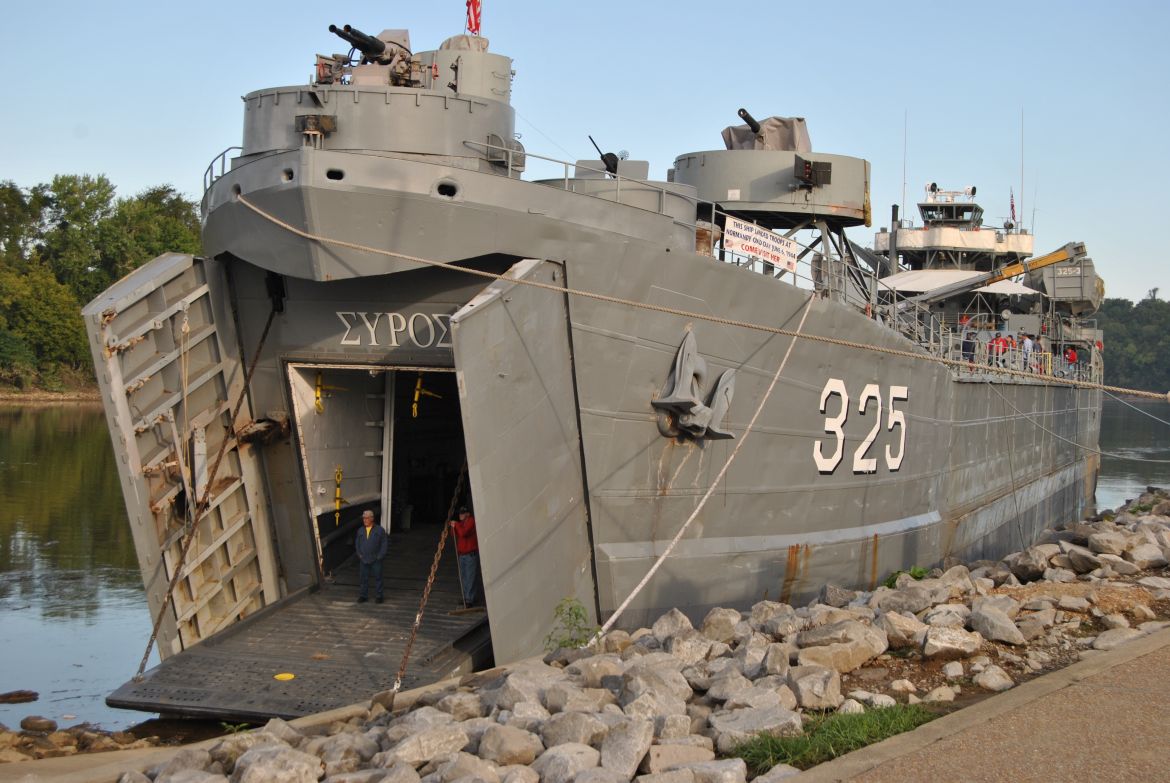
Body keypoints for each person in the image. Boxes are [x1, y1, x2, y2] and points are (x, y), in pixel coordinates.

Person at [449, 506, 480, 606]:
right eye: (460, 513)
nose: (460, 515)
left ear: (468, 514)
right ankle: (466, 597)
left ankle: (470, 599)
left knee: (470, 577)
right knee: (464, 577)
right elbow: (454, 535)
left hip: (470, 555)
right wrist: (452, 527)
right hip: (462, 555)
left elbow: (463, 533)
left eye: (463, 513)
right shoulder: (461, 524)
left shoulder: (471, 521)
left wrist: (456, 525)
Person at [354, 509, 387, 603]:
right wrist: (359, 554)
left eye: (367, 518)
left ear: (372, 518)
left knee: (378, 577)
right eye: (363, 518)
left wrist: (380, 556)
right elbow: (357, 543)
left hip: (376, 559)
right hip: (364, 559)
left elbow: (384, 544)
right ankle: (363, 595)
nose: (364, 520)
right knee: (363, 578)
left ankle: (379, 596)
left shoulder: (380, 530)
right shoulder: (360, 530)